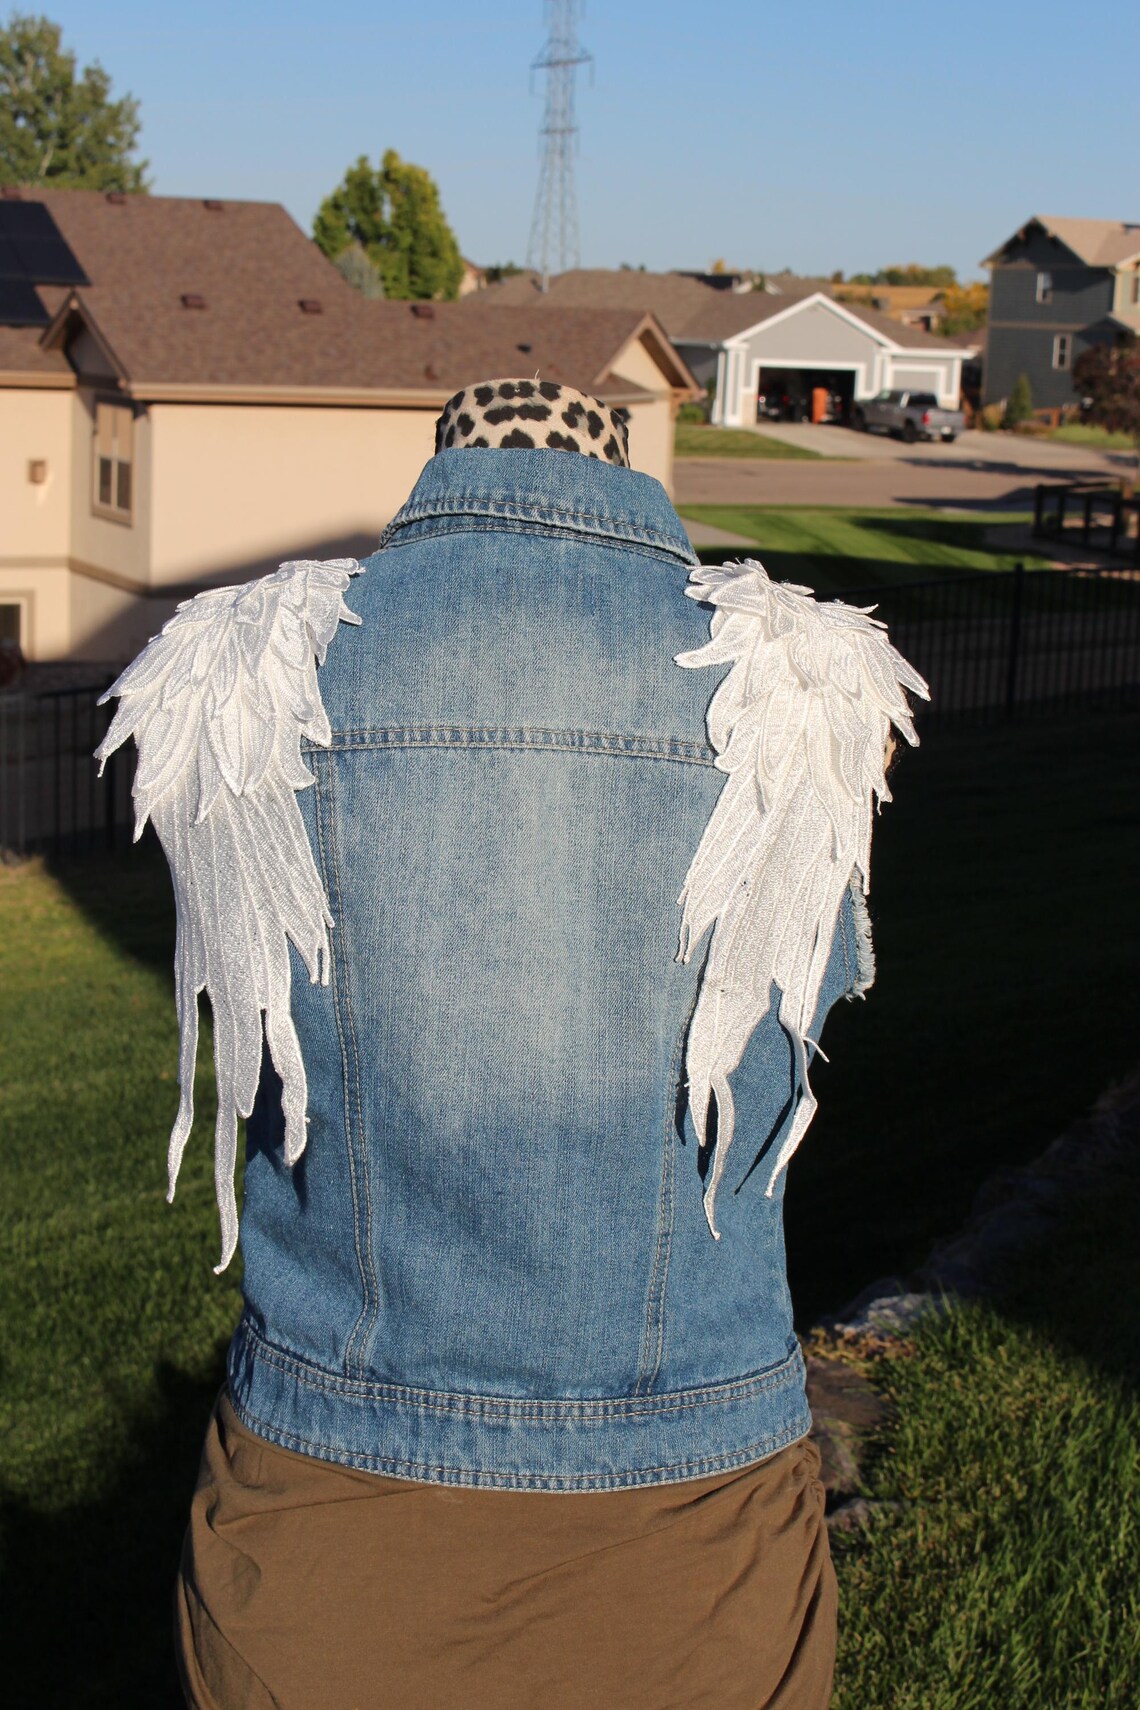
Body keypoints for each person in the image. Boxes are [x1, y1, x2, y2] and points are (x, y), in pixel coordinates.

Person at [97, 378, 927, 1709]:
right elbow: (804, 1023)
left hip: (326, 1524)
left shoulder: (249, 668)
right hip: (693, 1536)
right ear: (625, 455)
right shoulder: (797, 682)